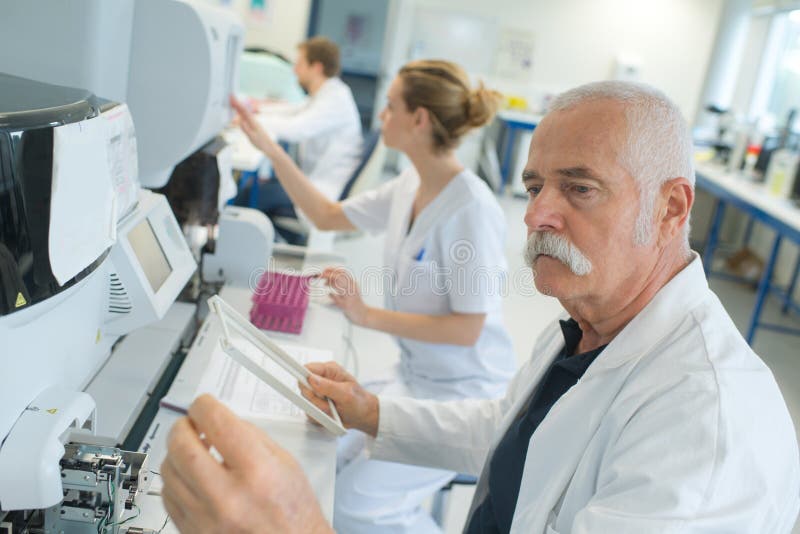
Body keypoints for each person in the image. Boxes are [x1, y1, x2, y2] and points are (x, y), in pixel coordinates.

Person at [161, 81, 800, 533]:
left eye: (579, 187)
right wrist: (372, 413)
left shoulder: (705, 423)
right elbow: (509, 431)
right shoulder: (587, 327)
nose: (537, 215)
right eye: (533, 187)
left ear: (671, 209)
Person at [231, 59, 516, 533]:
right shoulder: (410, 184)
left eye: (390, 106)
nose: (381, 116)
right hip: (413, 379)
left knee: (356, 506)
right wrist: (270, 147)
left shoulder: (471, 208)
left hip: (464, 397)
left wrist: (366, 315)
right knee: (319, 461)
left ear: (419, 119)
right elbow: (325, 215)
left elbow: (468, 328)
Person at [232, 36, 362, 228]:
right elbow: (294, 110)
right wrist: (257, 109)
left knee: (243, 196)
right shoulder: (329, 93)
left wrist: (248, 120)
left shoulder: (335, 100)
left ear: (316, 67)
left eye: (300, 64)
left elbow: (296, 129)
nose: (294, 70)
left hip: (320, 194)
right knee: (254, 186)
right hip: (311, 182)